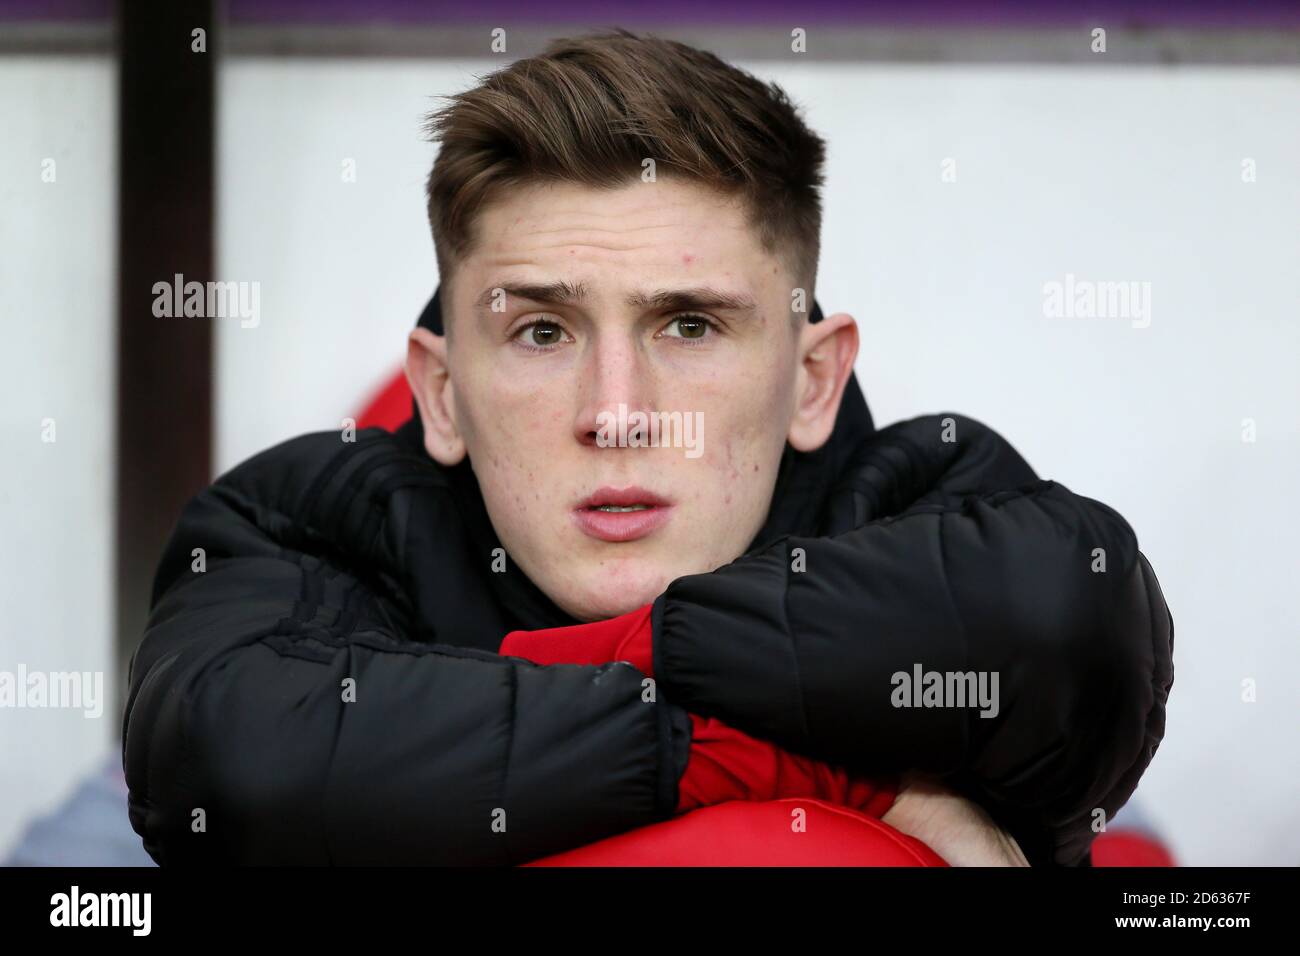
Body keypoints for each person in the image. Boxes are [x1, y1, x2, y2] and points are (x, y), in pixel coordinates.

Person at [122, 30, 1173, 867]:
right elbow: (230, 766)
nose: (618, 412)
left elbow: (1072, 628)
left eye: (689, 325)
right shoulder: (305, 523)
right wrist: (823, 764)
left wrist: (607, 670)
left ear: (812, 380)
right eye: (542, 331)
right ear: (440, 391)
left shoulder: (924, 498)